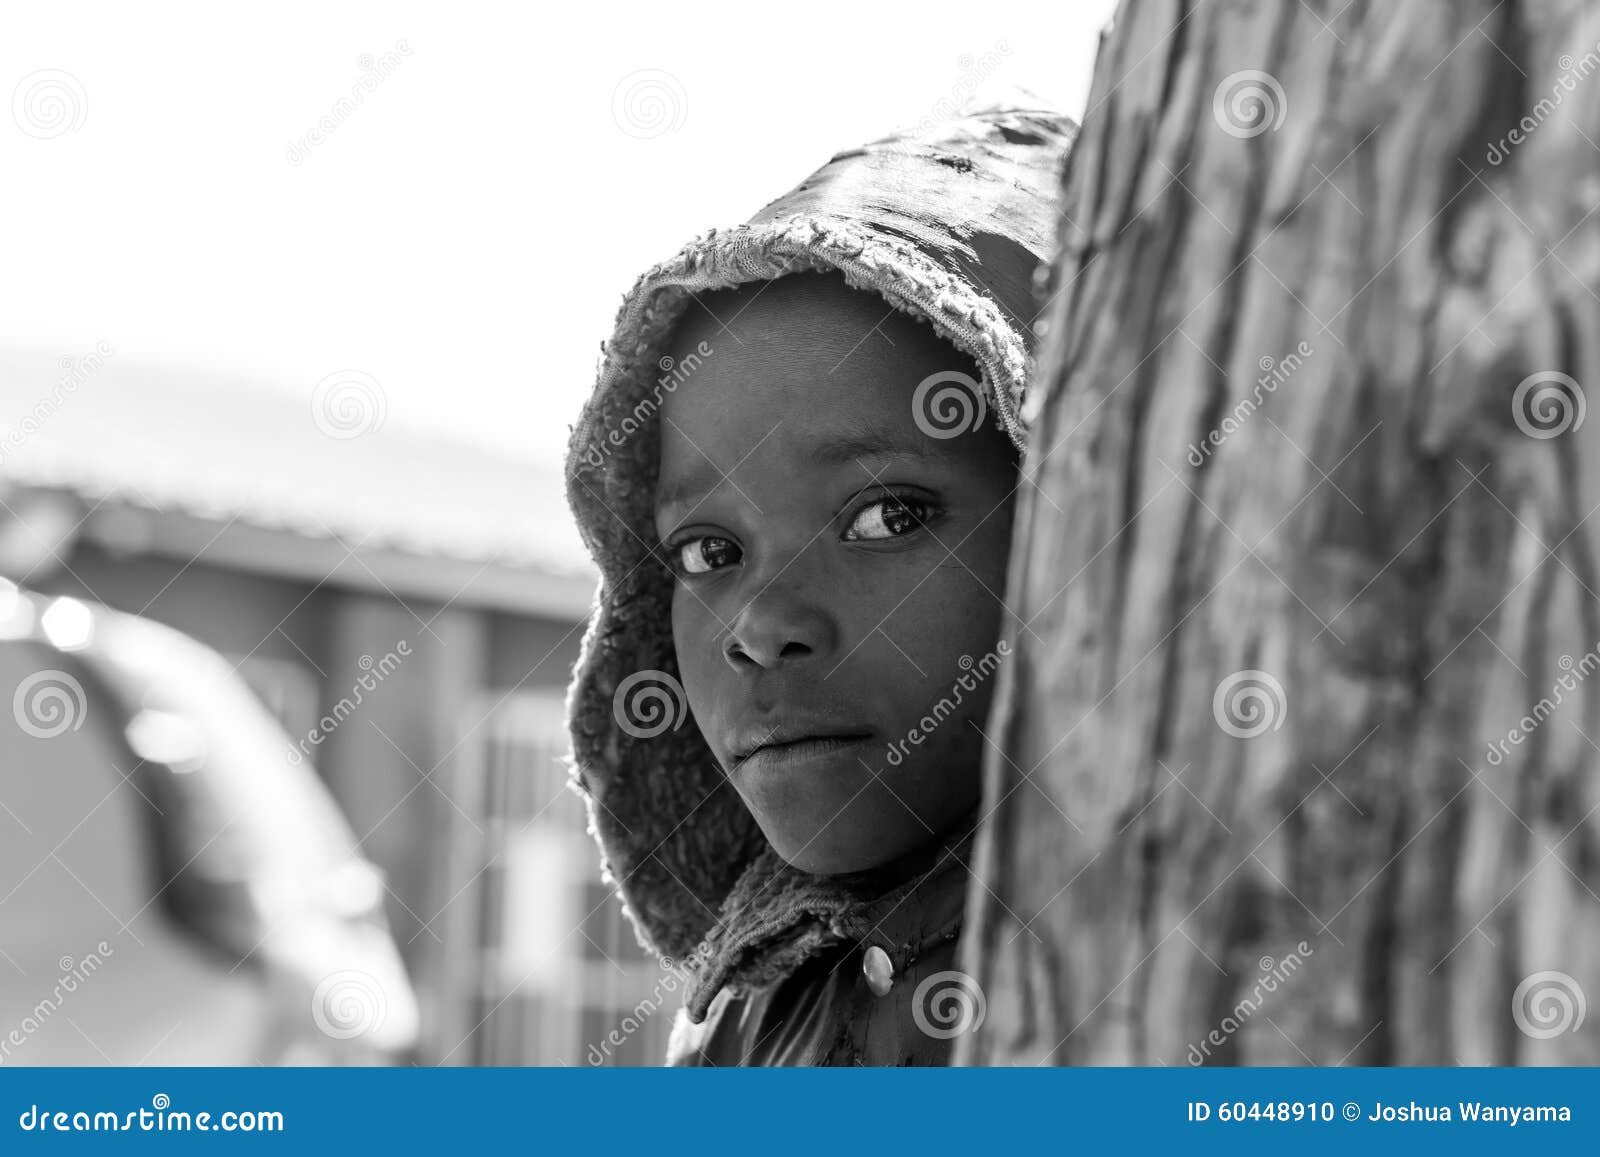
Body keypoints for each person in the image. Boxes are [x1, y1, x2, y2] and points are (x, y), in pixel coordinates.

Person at [564, 107, 1075, 1065]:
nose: (760, 625)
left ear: (1077, 524)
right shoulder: (735, 1017)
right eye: (710, 552)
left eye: (885, 516)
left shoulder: (1173, 956)